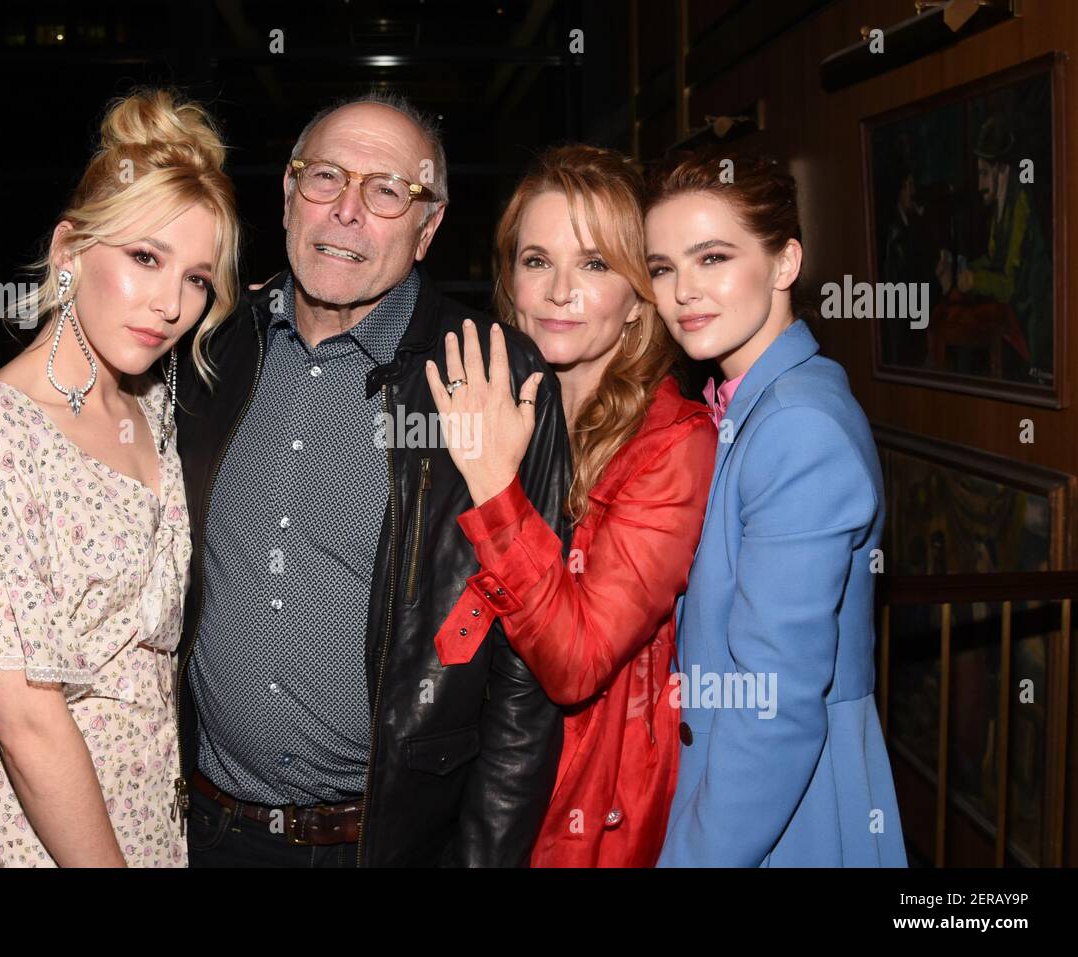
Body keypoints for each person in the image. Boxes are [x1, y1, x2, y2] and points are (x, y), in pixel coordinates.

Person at [172, 91, 570, 867]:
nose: (347, 211)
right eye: (325, 177)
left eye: (388, 190)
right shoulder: (207, 354)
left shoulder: (498, 376)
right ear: (289, 197)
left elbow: (526, 680)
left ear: (428, 228)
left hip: (387, 846)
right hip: (206, 832)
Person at [0, 88, 239, 867]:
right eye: (144, 258)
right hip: (47, 837)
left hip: (157, 817)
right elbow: (24, 719)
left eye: (197, 279)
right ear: (69, 254)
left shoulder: (155, 409)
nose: (169, 304)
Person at [426, 144, 715, 866]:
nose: (560, 291)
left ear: (636, 297)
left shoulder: (674, 442)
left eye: (594, 265)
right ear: (510, 281)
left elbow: (577, 660)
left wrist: (493, 487)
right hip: (469, 792)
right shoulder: (491, 403)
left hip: (585, 810)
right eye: (536, 260)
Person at [643, 149, 906, 866]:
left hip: (788, 810)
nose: (683, 293)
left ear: (786, 262)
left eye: (714, 257)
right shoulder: (748, 400)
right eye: (663, 267)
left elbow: (776, 707)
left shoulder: (797, 426)